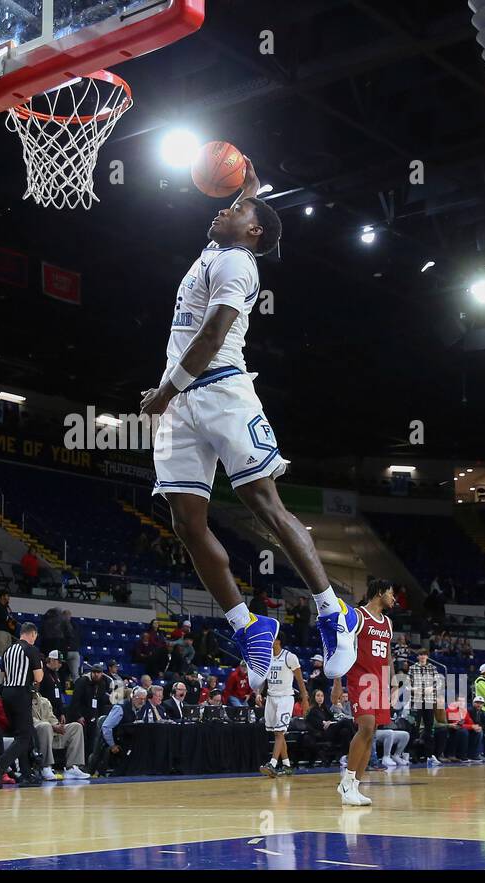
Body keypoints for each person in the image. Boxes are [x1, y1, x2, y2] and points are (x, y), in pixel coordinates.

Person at [136, 156, 352, 711]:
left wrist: (164, 390)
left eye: (232, 209)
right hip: (182, 405)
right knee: (186, 522)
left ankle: (332, 612)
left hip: (223, 392)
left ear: (252, 232)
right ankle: (247, 626)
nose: (219, 211)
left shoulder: (240, 266)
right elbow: (239, 211)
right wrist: (248, 188)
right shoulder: (217, 249)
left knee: (265, 506)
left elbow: (211, 335)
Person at [338, 579, 396, 806]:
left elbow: (388, 654)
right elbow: (340, 646)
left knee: (372, 733)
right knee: (366, 726)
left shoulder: (388, 623)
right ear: (380, 592)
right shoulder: (358, 616)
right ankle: (347, 779)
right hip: (359, 678)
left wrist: (393, 680)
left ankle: (354, 786)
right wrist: (336, 682)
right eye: (391, 593)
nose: (394, 598)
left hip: (379, 680)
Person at [0, 620, 44, 787]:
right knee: (24, 735)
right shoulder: (31, 649)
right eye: (35, 636)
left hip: (6, 693)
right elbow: (38, 678)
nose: (35, 639)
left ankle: (26, 774)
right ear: (32, 634)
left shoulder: (8, 650)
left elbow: (3, 675)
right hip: (21, 692)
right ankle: (0, 764)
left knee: (21, 734)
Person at [259, 630, 307, 778]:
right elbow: (265, 679)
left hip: (285, 698)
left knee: (280, 732)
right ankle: (286, 765)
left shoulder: (289, 657)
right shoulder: (268, 658)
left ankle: (272, 764)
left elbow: (300, 680)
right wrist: (259, 694)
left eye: (272, 639)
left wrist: (305, 698)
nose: (269, 642)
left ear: (278, 641)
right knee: (277, 733)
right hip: (271, 698)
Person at [30, 688, 90, 780]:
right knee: (45, 726)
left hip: (51, 732)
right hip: (35, 735)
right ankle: (45, 767)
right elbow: (29, 721)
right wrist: (52, 726)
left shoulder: (44, 700)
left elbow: (51, 717)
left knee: (76, 727)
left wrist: (58, 726)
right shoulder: (22, 700)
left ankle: (72, 768)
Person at [408, 650, 442, 763]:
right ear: (418, 657)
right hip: (416, 699)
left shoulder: (432, 668)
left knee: (429, 727)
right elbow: (408, 684)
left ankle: (429, 755)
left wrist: (432, 688)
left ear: (427, 656)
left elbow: (439, 682)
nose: (423, 657)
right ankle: (413, 755)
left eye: (424, 655)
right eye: (421, 655)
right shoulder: (412, 668)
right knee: (415, 727)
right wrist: (414, 689)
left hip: (429, 700)